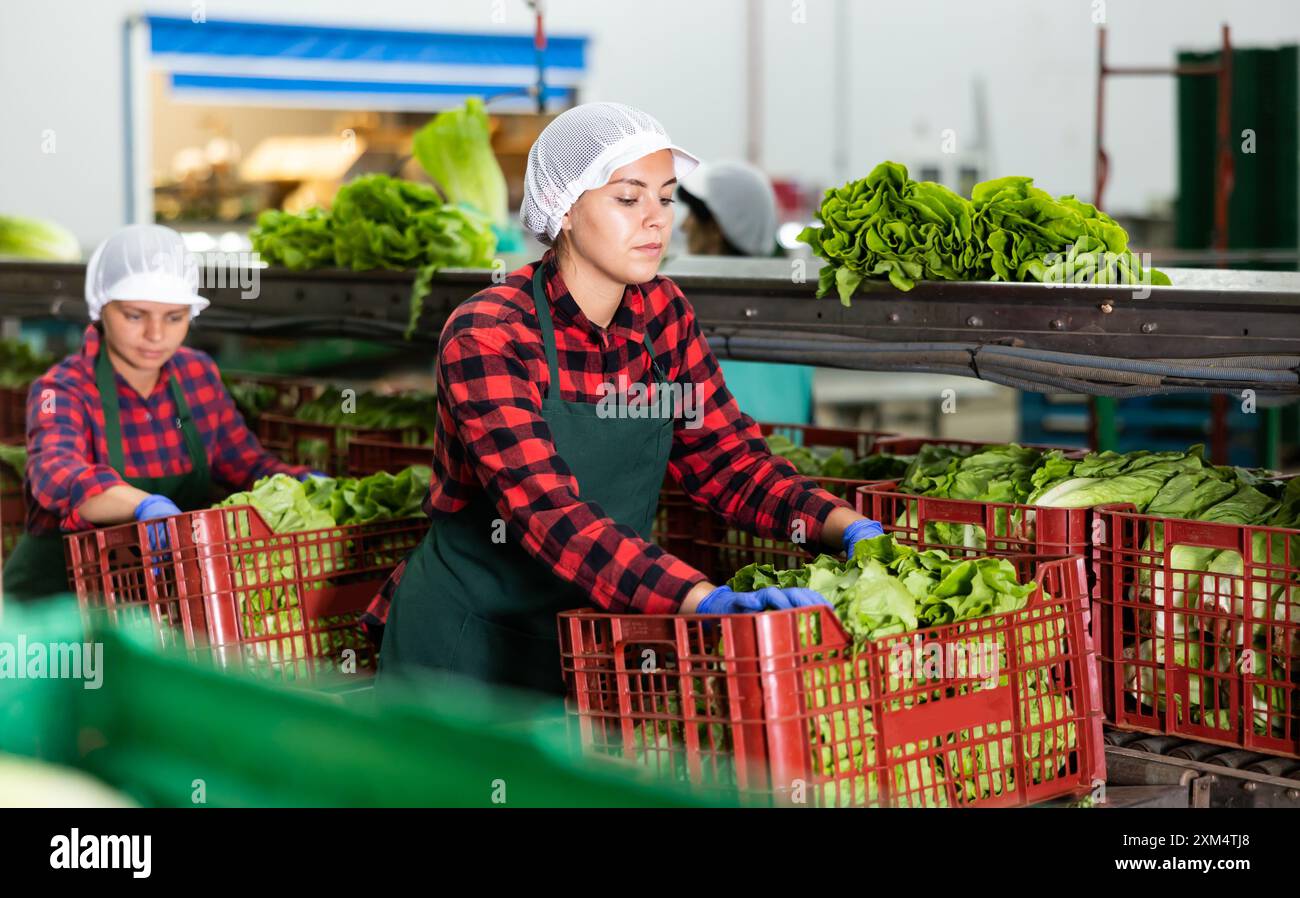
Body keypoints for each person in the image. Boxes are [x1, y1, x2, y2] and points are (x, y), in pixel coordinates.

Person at [370, 102, 883, 695]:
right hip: (467, 648)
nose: (656, 220)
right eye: (628, 197)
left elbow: (728, 461)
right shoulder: (489, 333)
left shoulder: (663, 313)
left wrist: (848, 529)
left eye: (665, 198)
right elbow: (549, 515)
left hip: (593, 637)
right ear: (563, 208)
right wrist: (701, 600)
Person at [3, 224, 322, 601]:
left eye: (174, 317)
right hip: (59, 607)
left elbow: (246, 464)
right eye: (136, 316)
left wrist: (306, 484)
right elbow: (56, 475)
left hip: (163, 601)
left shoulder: (197, 373)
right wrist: (142, 505)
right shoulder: (61, 389)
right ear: (101, 307)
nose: (156, 335)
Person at [677, 160, 816, 424]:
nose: (684, 226)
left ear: (716, 230)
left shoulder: (691, 313)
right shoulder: (794, 310)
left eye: (693, 214)